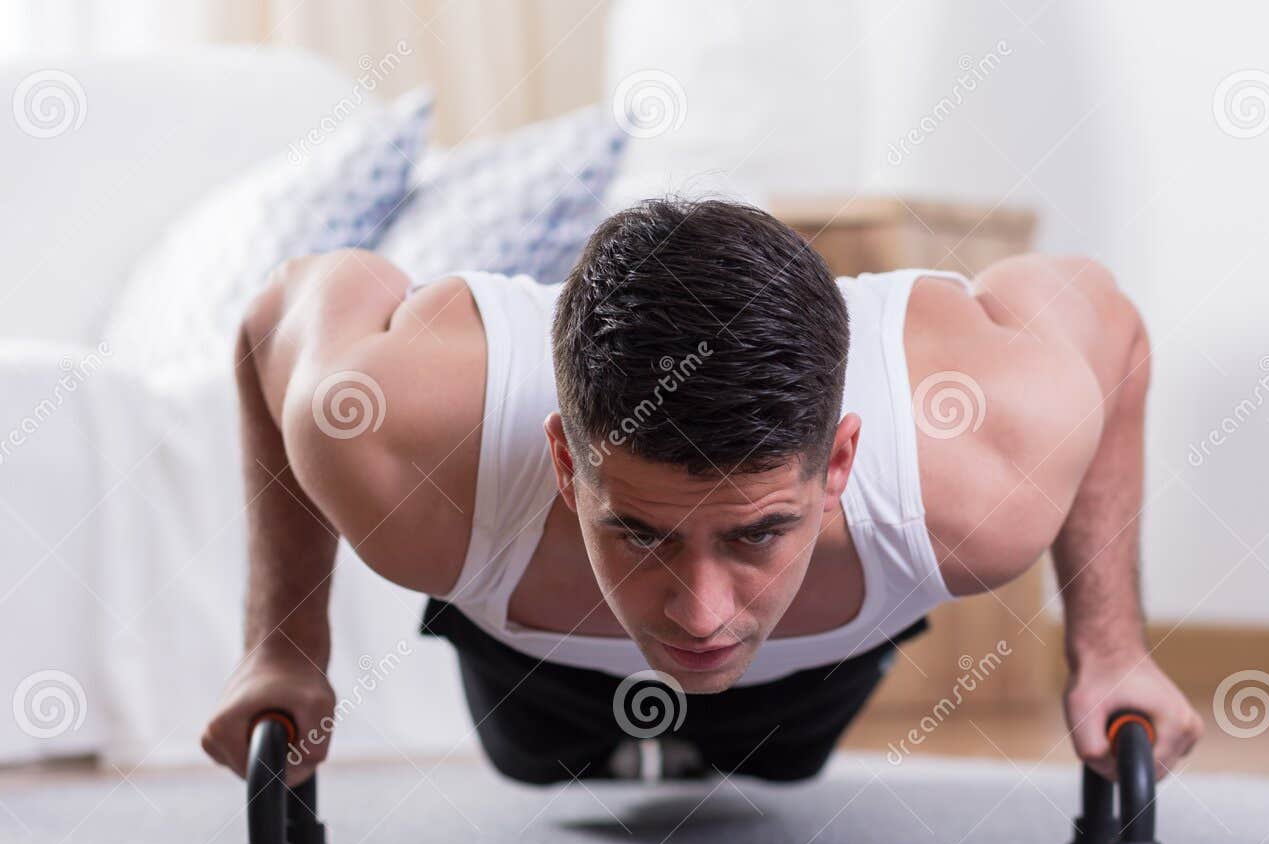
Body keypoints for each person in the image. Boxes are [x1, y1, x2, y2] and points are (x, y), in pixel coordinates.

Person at [200, 197, 1203, 789]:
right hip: (533, 665)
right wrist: (281, 655)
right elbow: (274, 318)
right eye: (639, 532)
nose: (699, 610)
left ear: (841, 460)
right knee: (536, 758)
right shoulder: (387, 425)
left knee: (776, 764)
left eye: (759, 532)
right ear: (563, 458)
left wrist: (1111, 650)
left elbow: (1112, 329)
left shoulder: (987, 443)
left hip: (809, 679)